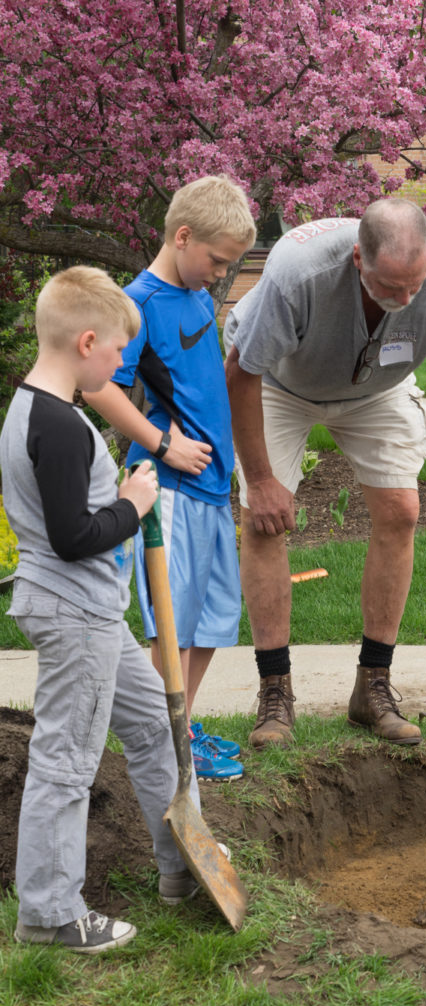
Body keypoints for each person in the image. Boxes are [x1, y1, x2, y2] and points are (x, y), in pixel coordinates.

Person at [223, 197, 426, 749]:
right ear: (358, 260)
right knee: (264, 521)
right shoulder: (297, 273)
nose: (404, 301)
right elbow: (241, 372)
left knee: (401, 511)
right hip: (278, 385)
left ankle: (372, 687)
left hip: (378, 389)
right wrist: (261, 479)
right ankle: (275, 692)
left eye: (413, 286)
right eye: (389, 287)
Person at [0, 267, 216, 953]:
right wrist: (135, 506)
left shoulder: (36, 408)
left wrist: (119, 495)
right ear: (86, 341)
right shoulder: (59, 425)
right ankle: (50, 913)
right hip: (75, 611)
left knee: (156, 723)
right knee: (67, 758)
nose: (124, 362)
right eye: (118, 350)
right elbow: (73, 538)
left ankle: (182, 868)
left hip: (88, 609)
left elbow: (68, 516)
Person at [83, 175, 257, 779]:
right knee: (175, 623)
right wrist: (162, 443)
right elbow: (96, 384)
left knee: (210, 619)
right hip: (174, 489)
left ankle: (178, 728)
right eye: (216, 259)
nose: (219, 272)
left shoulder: (199, 297)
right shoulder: (141, 304)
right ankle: (158, 747)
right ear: (183, 237)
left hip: (211, 487)